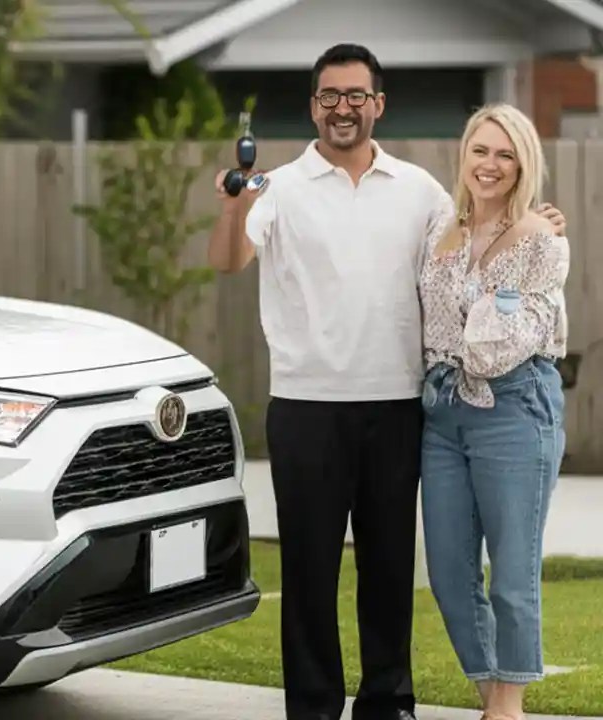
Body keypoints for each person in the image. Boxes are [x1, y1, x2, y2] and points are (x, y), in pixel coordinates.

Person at [205, 43, 567, 720]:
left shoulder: (420, 190)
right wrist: (232, 206)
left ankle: (388, 702)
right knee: (310, 572)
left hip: (400, 406)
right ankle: (313, 707)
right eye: (329, 96)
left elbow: (473, 241)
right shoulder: (275, 188)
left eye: (355, 95)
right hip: (306, 407)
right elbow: (229, 261)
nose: (342, 108)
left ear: (377, 104)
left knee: (390, 569)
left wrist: (531, 227)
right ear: (314, 106)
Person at [417, 103, 569, 720]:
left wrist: (474, 317)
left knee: (511, 572)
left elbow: (501, 345)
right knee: (449, 575)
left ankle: (508, 705)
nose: (490, 164)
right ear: (464, 156)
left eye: (506, 154)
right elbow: (426, 320)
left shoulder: (542, 240)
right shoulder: (439, 230)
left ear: (523, 164)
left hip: (515, 406)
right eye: (480, 150)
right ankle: (491, 696)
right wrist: (485, 306)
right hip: (442, 413)